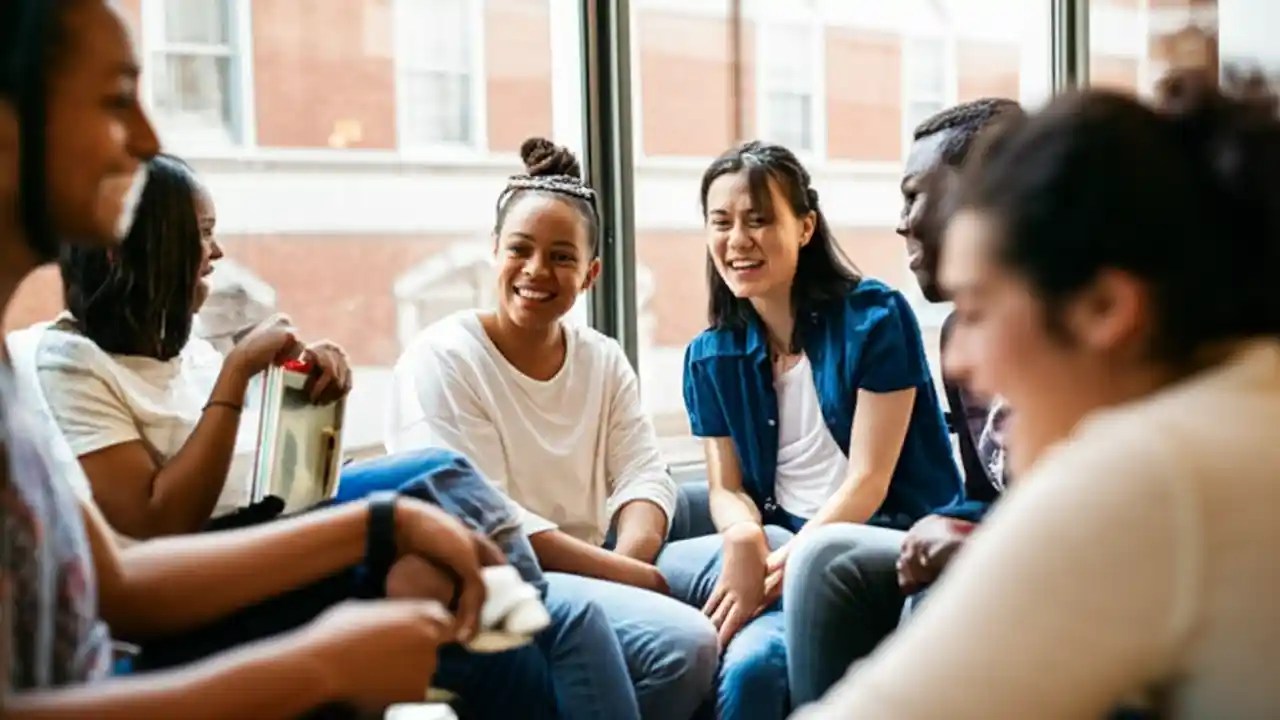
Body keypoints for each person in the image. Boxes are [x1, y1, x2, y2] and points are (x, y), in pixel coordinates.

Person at [0, 2, 550, 717]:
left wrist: (380, 521)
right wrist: (320, 666)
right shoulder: (64, 361)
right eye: (114, 102)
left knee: (456, 594)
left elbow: (124, 581)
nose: (147, 137)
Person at [23, 150, 657, 720]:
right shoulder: (71, 360)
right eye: (203, 236)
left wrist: (303, 405)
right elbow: (161, 520)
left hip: (261, 535)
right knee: (437, 473)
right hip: (211, 568)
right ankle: (520, 597)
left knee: (438, 588)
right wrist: (239, 376)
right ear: (124, 248)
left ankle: (510, 607)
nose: (215, 254)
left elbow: (261, 483)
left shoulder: (181, 351)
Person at [794, 74, 1280, 719]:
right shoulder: (1243, 396)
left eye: (981, 307)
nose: (962, 356)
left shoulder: (1156, 469)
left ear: (1105, 308)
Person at [386, 137, 719, 720]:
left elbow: (644, 473)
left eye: (562, 257)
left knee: (770, 549)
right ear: (494, 251)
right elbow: (489, 525)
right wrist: (628, 576)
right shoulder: (443, 358)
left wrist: (632, 563)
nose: (537, 270)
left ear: (590, 274)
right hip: (500, 579)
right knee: (683, 646)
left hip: (603, 563)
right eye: (521, 249)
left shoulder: (602, 358)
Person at [656, 140, 963, 720]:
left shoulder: (875, 318)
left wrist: (778, 566)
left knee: (751, 653)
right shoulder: (708, 355)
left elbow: (870, 482)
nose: (737, 240)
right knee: (704, 640)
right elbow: (725, 487)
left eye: (759, 219)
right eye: (720, 223)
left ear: (804, 227)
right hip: (775, 542)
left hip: (878, 542)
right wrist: (743, 536)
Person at [781, 98, 1023, 706]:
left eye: (916, 195)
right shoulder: (956, 336)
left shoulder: (1079, 333)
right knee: (823, 556)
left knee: (935, 591)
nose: (903, 222)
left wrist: (973, 546)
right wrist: (945, 525)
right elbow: (984, 493)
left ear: (987, 194)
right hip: (1004, 537)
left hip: (1053, 557)